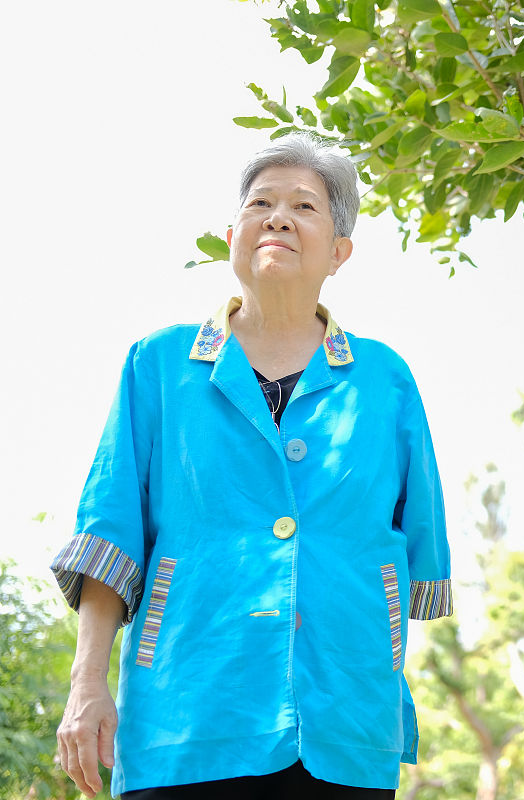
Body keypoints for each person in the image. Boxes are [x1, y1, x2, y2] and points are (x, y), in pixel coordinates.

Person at [50, 134, 453, 799]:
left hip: (343, 721)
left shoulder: (385, 381)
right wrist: (86, 685)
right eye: (260, 203)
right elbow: (110, 532)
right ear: (233, 233)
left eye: (304, 206)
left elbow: (414, 548)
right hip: (185, 715)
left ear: (339, 252)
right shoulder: (159, 365)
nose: (278, 218)